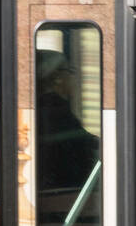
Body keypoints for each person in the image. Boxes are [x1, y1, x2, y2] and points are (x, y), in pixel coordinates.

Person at [36, 48, 98, 191]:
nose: (73, 77)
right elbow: (82, 146)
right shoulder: (57, 111)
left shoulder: (45, 107)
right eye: (70, 71)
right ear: (58, 78)